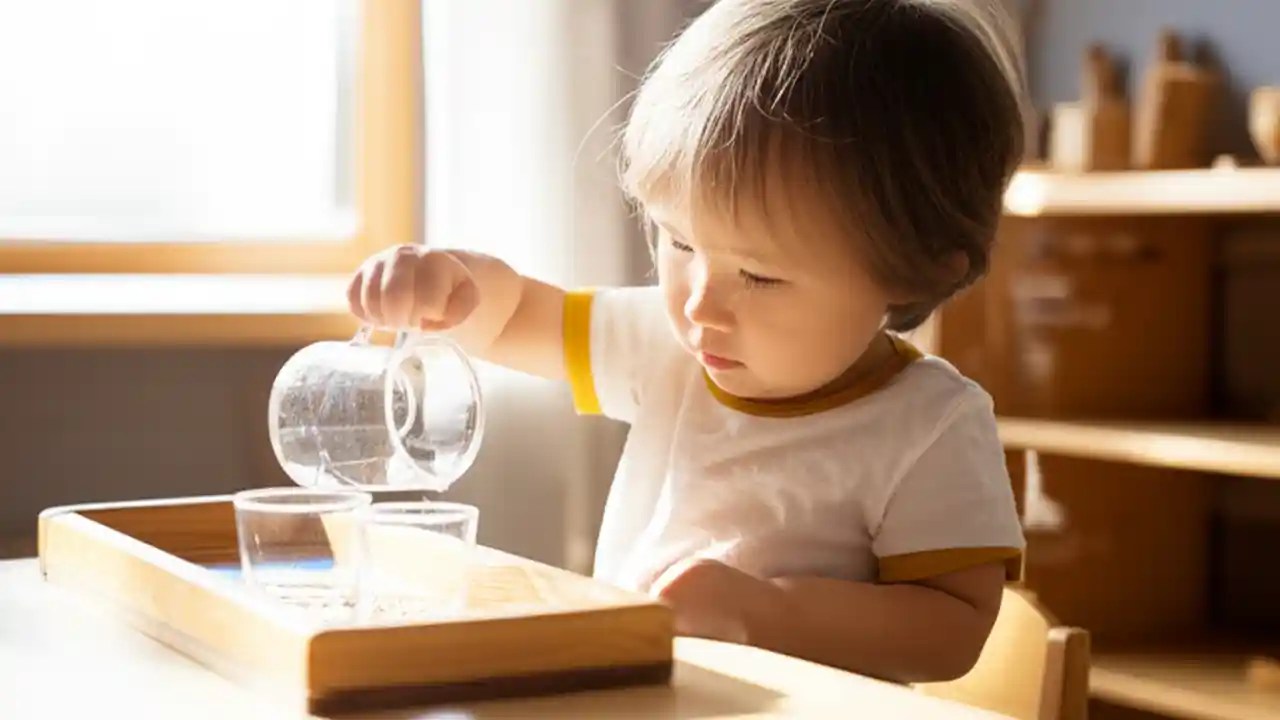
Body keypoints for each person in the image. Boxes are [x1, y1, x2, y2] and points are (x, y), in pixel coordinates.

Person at [348, 0, 1028, 683]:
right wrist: (456, 286)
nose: (701, 304)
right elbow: (519, 314)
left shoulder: (930, 424)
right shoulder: (666, 347)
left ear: (913, 272)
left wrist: (764, 612)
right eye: (678, 241)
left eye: (759, 276)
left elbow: (952, 630)